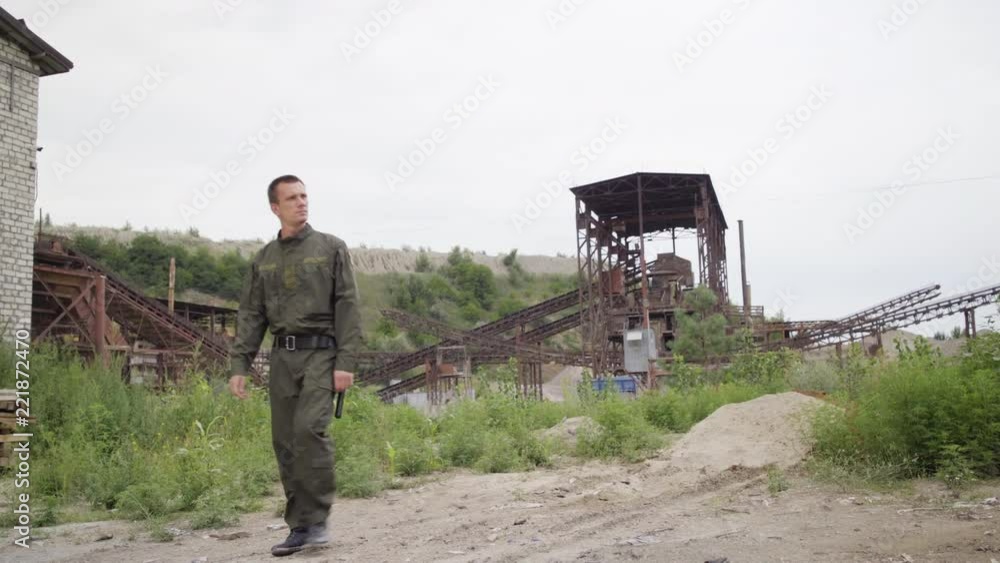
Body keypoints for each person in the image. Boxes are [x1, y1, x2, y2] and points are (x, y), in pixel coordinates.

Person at [228, 174, 362, 557]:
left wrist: (345, 361)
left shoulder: (331, 248)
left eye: (304, 196)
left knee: (309, 431)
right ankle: (300, 527)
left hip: (322, 353)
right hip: (282, 357)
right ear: (275, 207)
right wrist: (240, 364)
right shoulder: (264, 260)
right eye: (292, 198)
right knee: (285, 441)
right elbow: (252, 315)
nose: (301, 202)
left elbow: (347, 307)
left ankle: (317, 520)